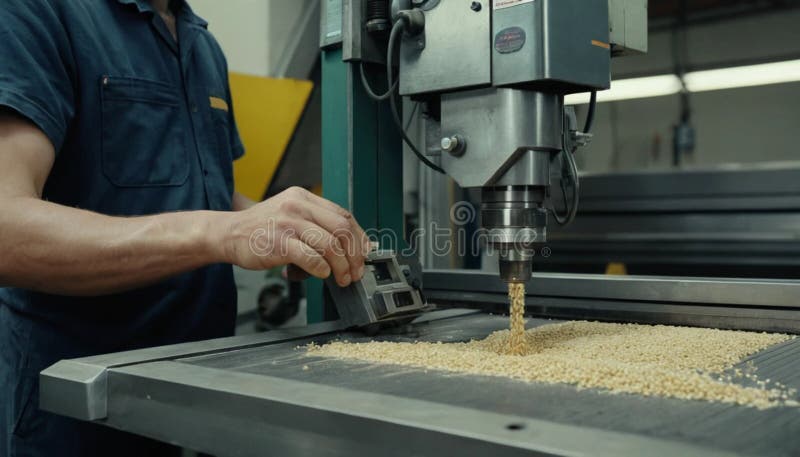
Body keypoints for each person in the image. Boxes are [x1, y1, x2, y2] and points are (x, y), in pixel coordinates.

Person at [0, 1, 369, 456]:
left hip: (197, 395)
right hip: (76, 410)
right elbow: (7, 230)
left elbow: (211, 193)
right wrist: (223, 233)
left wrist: (289, 228)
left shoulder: (203, 45)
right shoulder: (38, 13)